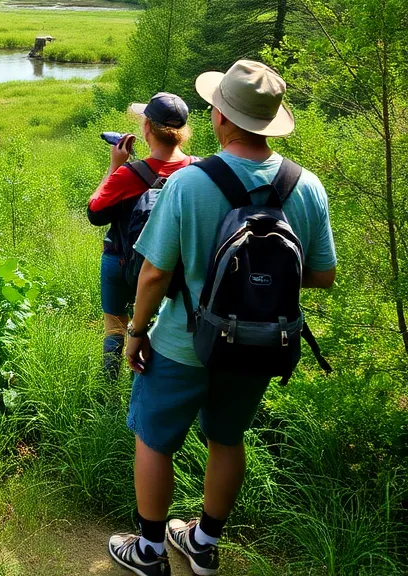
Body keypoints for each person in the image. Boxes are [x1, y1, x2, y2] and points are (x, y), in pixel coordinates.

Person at [107, 61, 336, 576]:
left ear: (222, 118)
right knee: (227, 438)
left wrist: (136, 332)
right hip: (259, 343)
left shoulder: (191, 184)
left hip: (182, 343)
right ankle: (204, 543)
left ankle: (147, 551)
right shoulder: (307, 186)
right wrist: (260, 285)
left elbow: (151, 275)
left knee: (154, 438)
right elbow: (322, 274)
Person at [87, 93, 193, 377]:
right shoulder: (197, 170)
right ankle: (144, 381)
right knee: (155, 324)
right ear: (182, 132)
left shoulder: (129, 174)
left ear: (146, 127)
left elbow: (95, 213)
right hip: (173, 268)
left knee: (115, 327)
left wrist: (115, 166)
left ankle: (108, 387)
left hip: (121, 261)